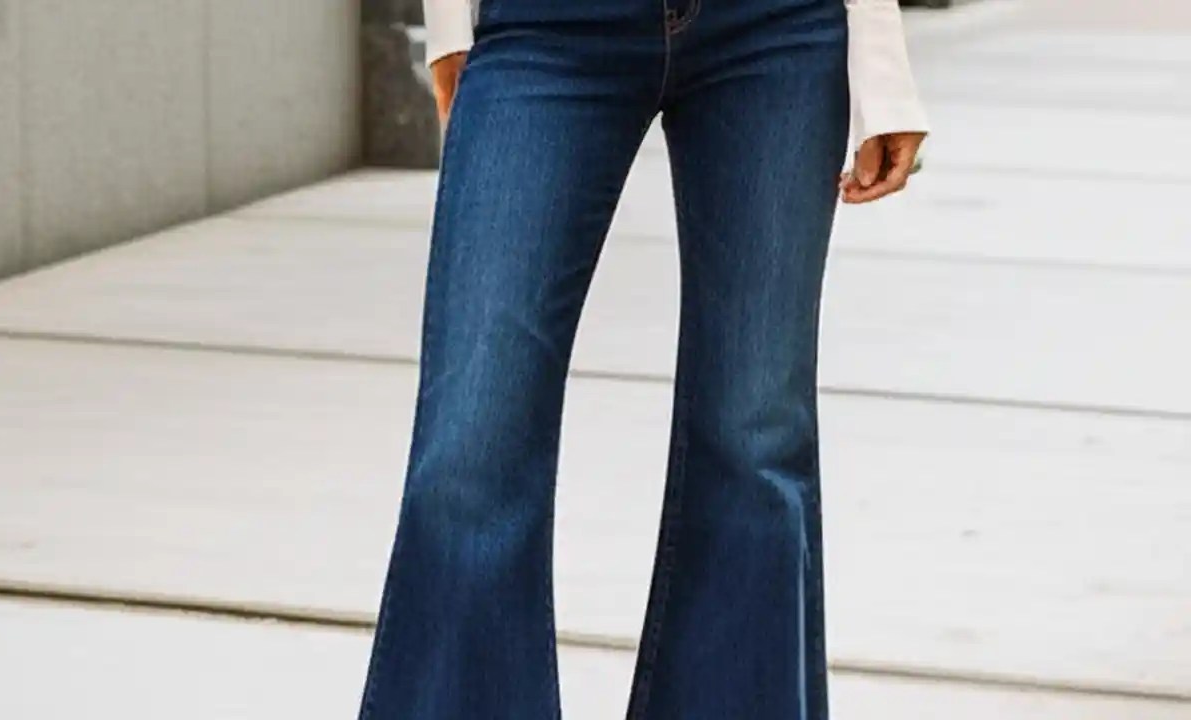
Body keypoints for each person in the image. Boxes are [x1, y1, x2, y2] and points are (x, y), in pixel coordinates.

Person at [358, 0, 930, 717]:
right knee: (471, 446)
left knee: (753, 441)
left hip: (776, 29)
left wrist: (881, 63)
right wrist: (448, 24)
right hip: (546, 27)